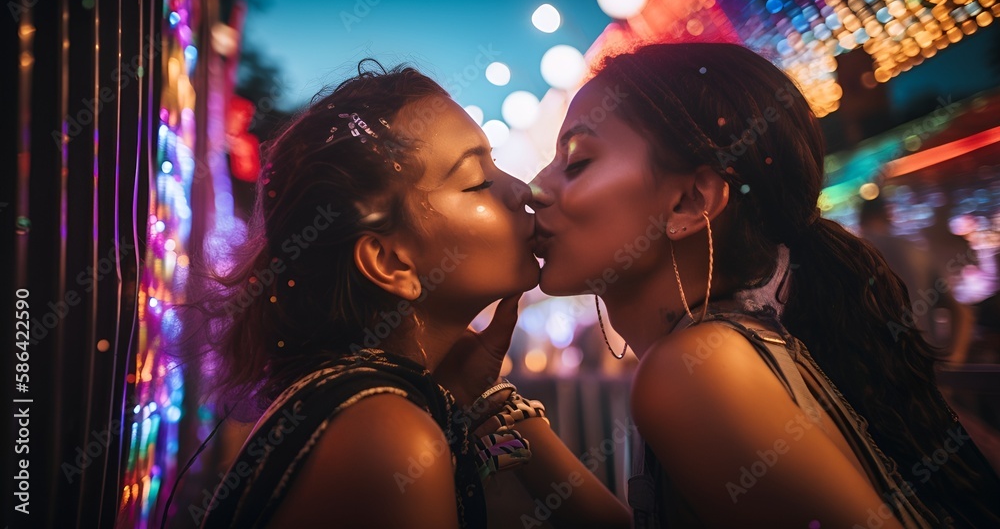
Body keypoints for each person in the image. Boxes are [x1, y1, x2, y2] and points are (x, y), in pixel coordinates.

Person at [529, 42, 1000, 527]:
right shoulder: (726, 348)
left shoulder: (696, 368)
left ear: (690, 202)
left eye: (577, 161)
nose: (534, 188)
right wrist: (501, 410)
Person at [184, 63, 630, 528]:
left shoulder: (375, 402)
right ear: (390, 262)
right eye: (478, 181)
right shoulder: (388, 435)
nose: (523, 190)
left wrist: (486, 400)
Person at [858, 196, 974, 364]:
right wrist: (954, 360)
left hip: (876, 364)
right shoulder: (917, 252)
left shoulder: (855, 252)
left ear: (861, 218)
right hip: (921, 365)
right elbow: (962, 313)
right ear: (888, 216)